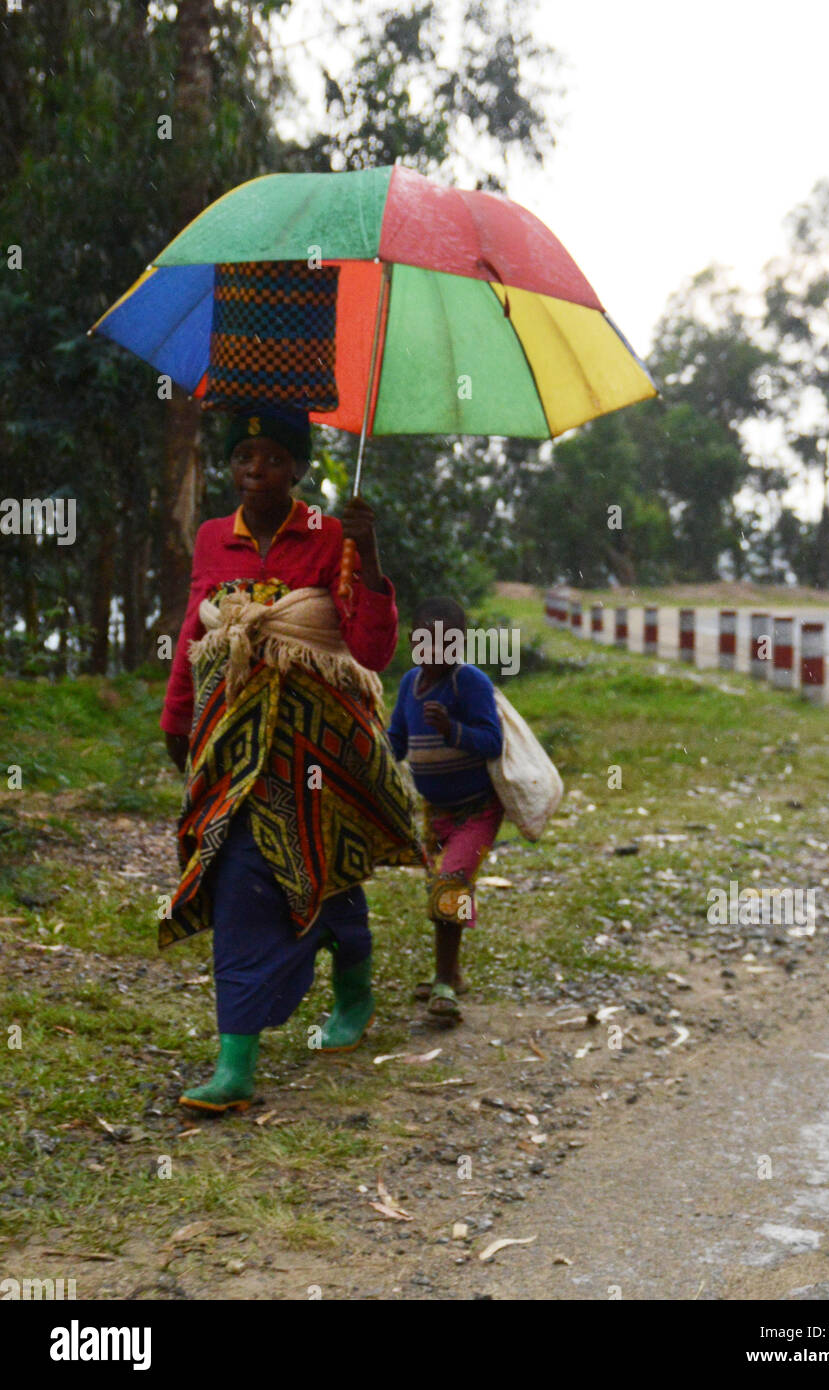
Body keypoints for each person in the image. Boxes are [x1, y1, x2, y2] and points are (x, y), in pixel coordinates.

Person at [160, 406, 423, 1112]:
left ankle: (354, 979)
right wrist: (178, 718)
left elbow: (369, 651)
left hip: (322, 745)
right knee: (245, 878)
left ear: (298, 468)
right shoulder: (216, 539)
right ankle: (235, 1065)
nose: (255, 470)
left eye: (273, 457)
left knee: (323, 871)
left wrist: (368, 560)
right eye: (244, 456)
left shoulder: (331, 536)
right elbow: (197, 630)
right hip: (239, 747)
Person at [387, 596, 504, 1023]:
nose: (435, 652)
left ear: (460, 645)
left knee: (451, 883)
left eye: (446, 643)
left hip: (476, 809)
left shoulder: (467, 682)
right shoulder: (408, 684)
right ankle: (451, 972)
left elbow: (492, 741)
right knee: (442, 888)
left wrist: (451, 730)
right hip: (434, 812)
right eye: (426, 641)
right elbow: (397, 740)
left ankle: (442, 984)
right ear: (414, 641)